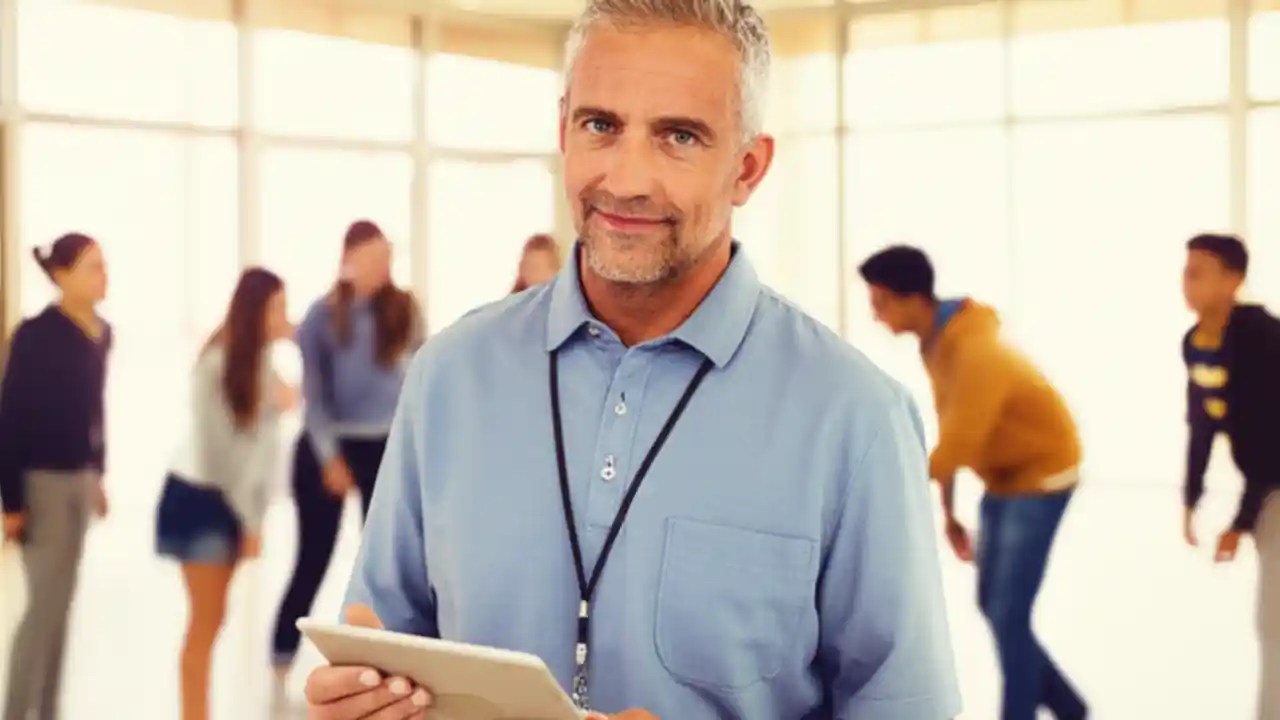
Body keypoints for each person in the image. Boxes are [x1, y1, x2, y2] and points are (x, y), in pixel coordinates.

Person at [304, 2, 961, 719]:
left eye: (679, 136)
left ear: (748, 167)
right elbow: (386, 649)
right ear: (563, 131)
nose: (626, 179)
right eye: (600, 126)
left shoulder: (857, 418)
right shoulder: (447, 378)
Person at [859, 245, 1087, 720]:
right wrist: (948, 515)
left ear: (911, 298)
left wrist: (876, 484)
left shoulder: (973, 349)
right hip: (1001, 474)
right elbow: (953, 429)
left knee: (1009, 613)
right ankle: (1070, 707)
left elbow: (958, 444)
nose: (874, 315)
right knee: (993, 605)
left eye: (879, 301)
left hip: (1043, 472)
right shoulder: (936, 339)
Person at [271, 219, 422, 681]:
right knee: (312, 558)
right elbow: (314, 398)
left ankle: (381, 666)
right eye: (374, 259)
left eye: (388, 258)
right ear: (349, 261)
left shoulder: (404, 309)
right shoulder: (321, 317)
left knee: (384, 564)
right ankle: (279, 659)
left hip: (386, 445)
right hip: (329, 447)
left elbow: (420, 376)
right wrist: (330, 457)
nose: (384, 268)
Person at [155, 268, 297, 720]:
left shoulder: (259, 361)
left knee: (213, 619)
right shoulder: (218, 362)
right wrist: (251, 522)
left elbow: (260, 447)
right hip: (200, 500)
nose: (284, 316)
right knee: (205, 622)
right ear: (255, 310)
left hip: (225, 503)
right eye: (277, 307)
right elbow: (221, 461)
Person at [0, 233, 111, 720]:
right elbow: (10, 417)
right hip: (40, 485)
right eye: (92, 266)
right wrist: (11, 502)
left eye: (103, 265)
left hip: (80, 482)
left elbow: (94, 412)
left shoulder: (103, 332)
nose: (102, 274)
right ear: (61, 275)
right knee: (41, 611)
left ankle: (48, 712)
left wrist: (99, 472)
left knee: (63, 610)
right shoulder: (35, 334)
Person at [1180, 233, 1280, 718]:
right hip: (1266, 486)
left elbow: (1271, 439)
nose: (1187, 283)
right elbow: (1201, 424)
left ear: (1234, 279)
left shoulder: (1261, 337)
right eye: (1186, 271)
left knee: (1275, 620)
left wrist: (1239, 521)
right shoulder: (1196, 344)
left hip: (1273, 483)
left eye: (1200, 272)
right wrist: (1190, 498)